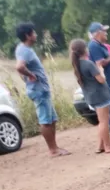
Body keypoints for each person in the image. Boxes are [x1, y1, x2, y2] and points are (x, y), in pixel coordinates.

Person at [14, 22, 69, 157]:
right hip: (38, 90)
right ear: (28, 35)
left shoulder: (22, 49)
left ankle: (55, 147)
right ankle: (52, 150)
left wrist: (25, 77)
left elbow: (21, 69)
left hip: (41, 89)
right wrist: (31, 76)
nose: (36, 34)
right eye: (33, 32)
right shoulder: (24, 50)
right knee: (45, 120)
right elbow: (19, 67)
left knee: (52, 119)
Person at [70, 39, 110, 154]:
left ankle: (101, 146)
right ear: (84, 50)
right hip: (100, 95)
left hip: (90, 96)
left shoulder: (77, 65)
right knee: (104, 122)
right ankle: (108, 147)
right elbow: (101, 80)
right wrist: (101, 71)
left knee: (101, 121)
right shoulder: (88, 64)